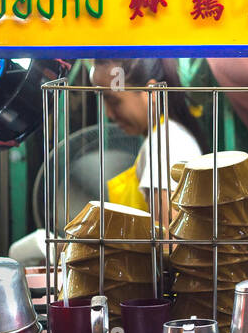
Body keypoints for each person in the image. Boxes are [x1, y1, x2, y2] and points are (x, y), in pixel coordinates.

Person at [89, 59, 208, 219]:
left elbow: (168, 242)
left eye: (114, 101)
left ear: (152, 92)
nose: (109, 113)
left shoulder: (167, 143)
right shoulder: (164, 137)